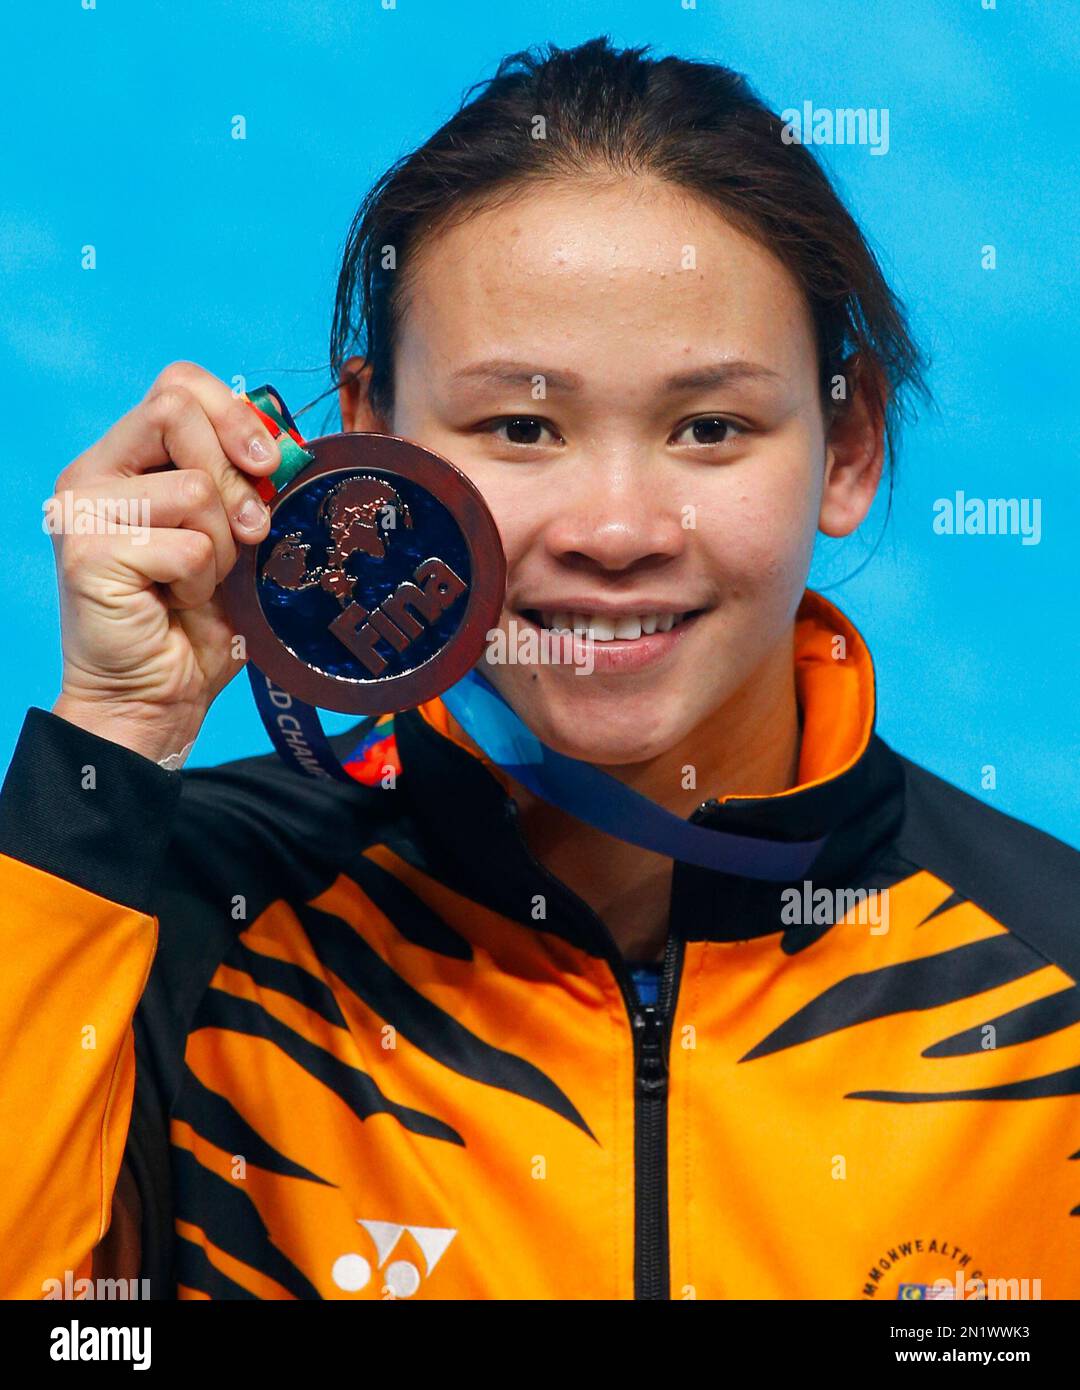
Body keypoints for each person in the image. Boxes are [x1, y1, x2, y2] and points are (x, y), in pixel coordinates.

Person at [1, 36, 1076, 1302]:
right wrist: (108, 749)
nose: (613, 530)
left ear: (846, 449)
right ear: (373, 443)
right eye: (521, 425)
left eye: (710, 427)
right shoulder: (173, 925)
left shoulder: (1049, 976)